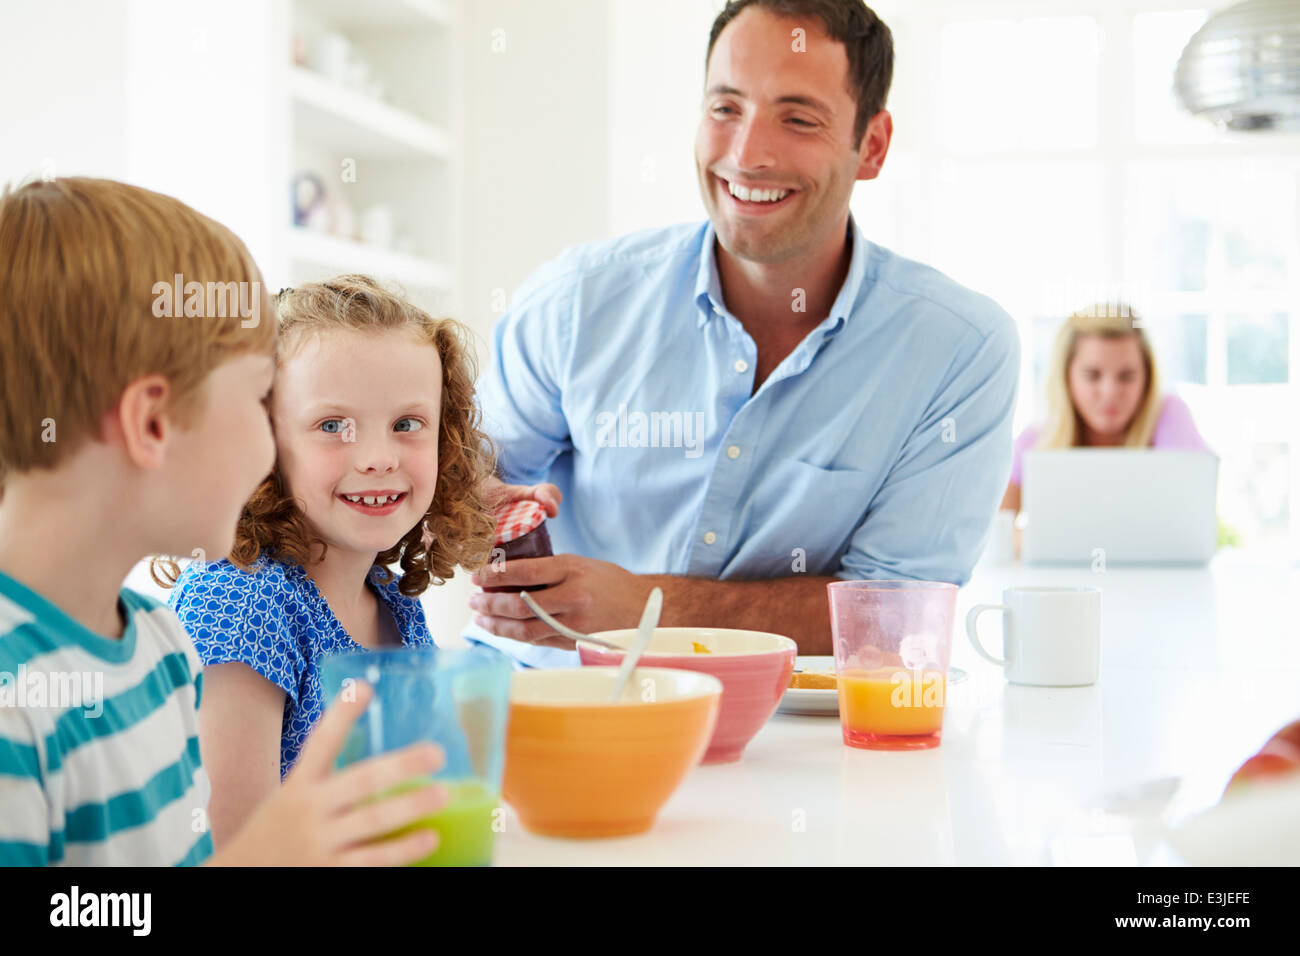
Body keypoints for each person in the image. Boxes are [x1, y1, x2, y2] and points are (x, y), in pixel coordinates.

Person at [465, 0, 1020, 666]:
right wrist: (472, 501)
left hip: (792, 741)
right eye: (725, 109)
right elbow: (471, 479)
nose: (748, 154)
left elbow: (897, 614)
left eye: (798, 118)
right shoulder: (576, 301)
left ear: (870, 146)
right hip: (553, 702)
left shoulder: (959, 350)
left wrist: (647, 610)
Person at [0, 178, 447, 865]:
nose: (270, 444)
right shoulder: (14, 704)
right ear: (151, 423)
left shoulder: (158, 647)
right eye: (256, 399)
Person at [163, 275, 500, 847]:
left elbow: (425, 792)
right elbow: (240, 852)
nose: (377, 457)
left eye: (407, 424)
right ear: (261, 441)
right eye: (332, 426)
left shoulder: (389, 599)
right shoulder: (237, 605)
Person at [1000, 304, 1211, 515]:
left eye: (1126, 376)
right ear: (1066, 377)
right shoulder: (1035, 444)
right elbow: (997, 531)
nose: (1109, 393)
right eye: (1092, 375)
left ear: (1147, 378)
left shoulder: (1170, 416)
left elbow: (1191, 515)